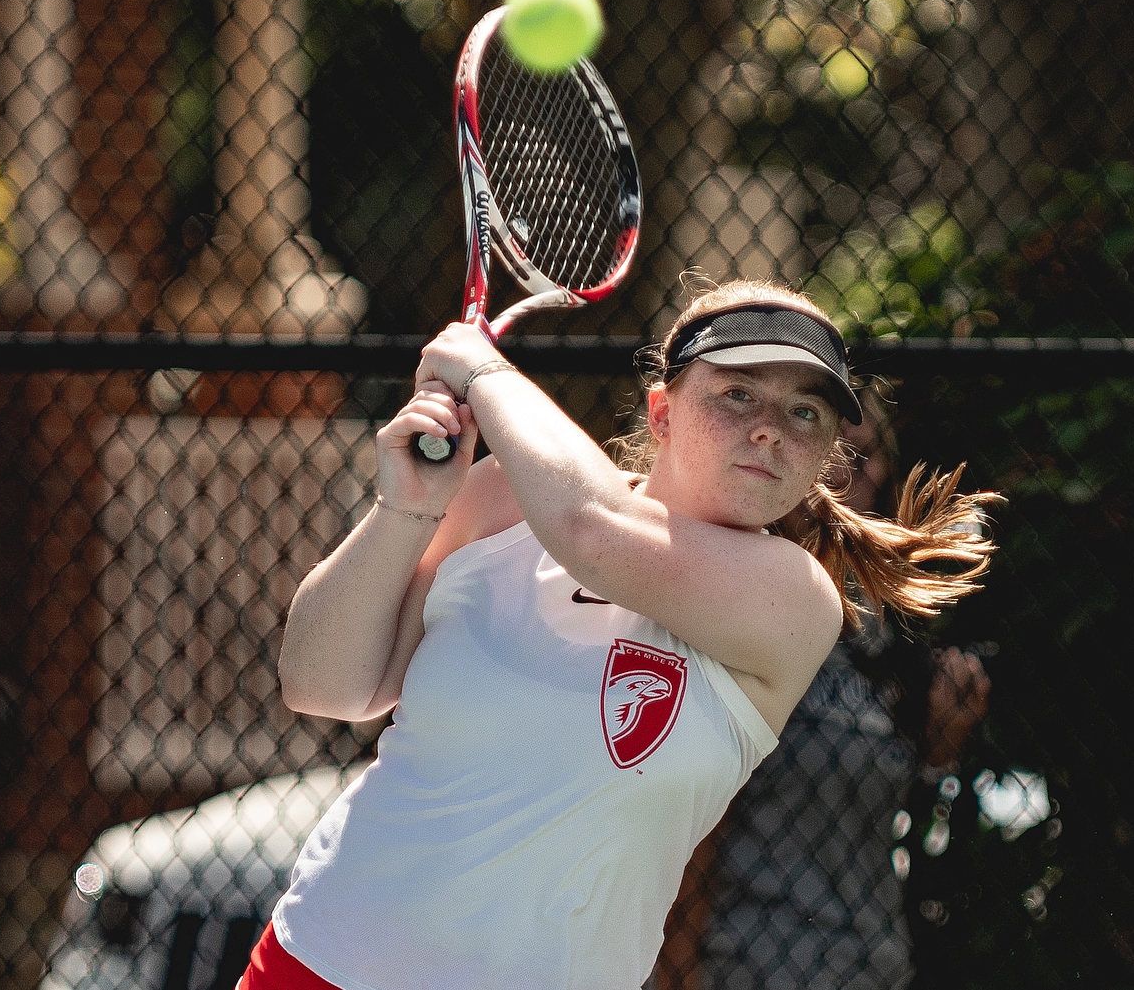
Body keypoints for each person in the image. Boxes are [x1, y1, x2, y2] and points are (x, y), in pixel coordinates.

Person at [248, 278, 999, 990]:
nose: (769, 427)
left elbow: (594, 530)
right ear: (663, 412)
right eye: (737, 394)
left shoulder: (793, 597)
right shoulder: (504, 501)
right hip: (320, 959)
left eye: (805, 411)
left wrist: (480, 370)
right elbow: (322, 684)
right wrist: (403, 507)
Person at [654, 392, 993, 990]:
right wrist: (677, 967)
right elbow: (694, 817)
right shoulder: (741, 587)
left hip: (867, 958)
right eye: (837, 450)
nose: (853, 469)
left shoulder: (896, 632)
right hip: (748, 957)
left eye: (867, 455)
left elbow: (909, 822)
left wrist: (942, 746)